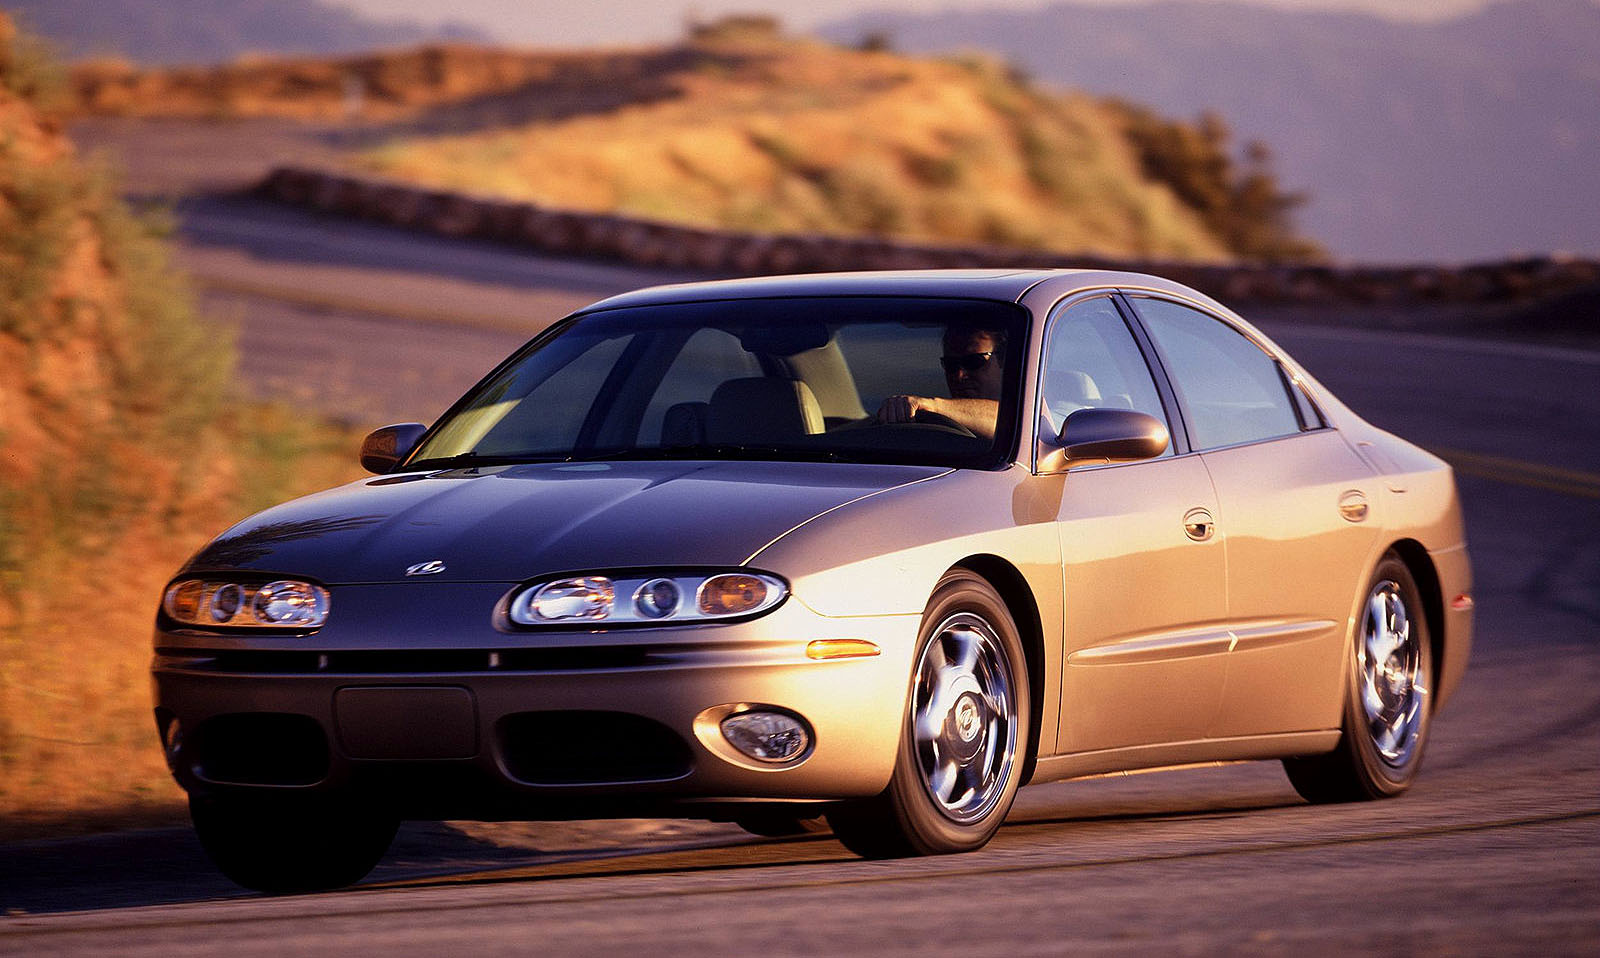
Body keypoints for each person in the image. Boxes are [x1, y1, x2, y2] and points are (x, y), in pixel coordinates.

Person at [875, 323, 1005, 439]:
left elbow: (1008, 421)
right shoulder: (935, 434)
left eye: (973, 362)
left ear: (1003, 360)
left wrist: (930, 406)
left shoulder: (1023, 422)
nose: (959, 375)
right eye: (951, 364)